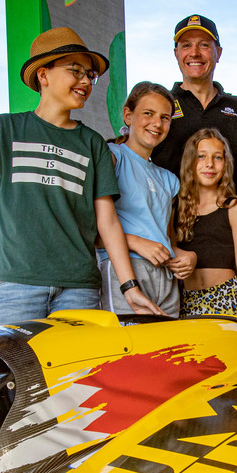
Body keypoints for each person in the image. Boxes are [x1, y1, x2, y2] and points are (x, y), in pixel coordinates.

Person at [0, 27, 162, 323]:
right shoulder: (2, 130)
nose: (86, 81)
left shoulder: (93, 144)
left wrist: (129, 287)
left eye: (90, 74)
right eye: (76, 70)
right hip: (19, 287)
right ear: (43, 75)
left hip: (79, 289)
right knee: (17, 358)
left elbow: (107, 221)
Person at [99, 81, 194, 317]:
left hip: (165, 277)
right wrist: (135, 242)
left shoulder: (169, 180)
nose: (157, 123)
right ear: (128, 115)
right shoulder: (112, 158)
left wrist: (187, 256)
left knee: (168, 340)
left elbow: (162, 237)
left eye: (165, 117)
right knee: (129, 340)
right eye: (148, 113)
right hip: (125, 269)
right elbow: (91, 230)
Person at [150, 14, 237, 192]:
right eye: (186, 45)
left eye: (204, 45)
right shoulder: (160, 106)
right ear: (176, 54)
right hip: (170, 211)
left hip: (226, 210)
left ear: (218, 53)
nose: (194, 53)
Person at [172, 129, 237, 317]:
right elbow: (169, 249)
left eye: (217, 157)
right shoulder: (177, 207)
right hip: (187, 304)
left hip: (227, 300)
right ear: (190, 161)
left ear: (226, 164)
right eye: (201, 156)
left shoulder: (233, 207)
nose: (210, 164)